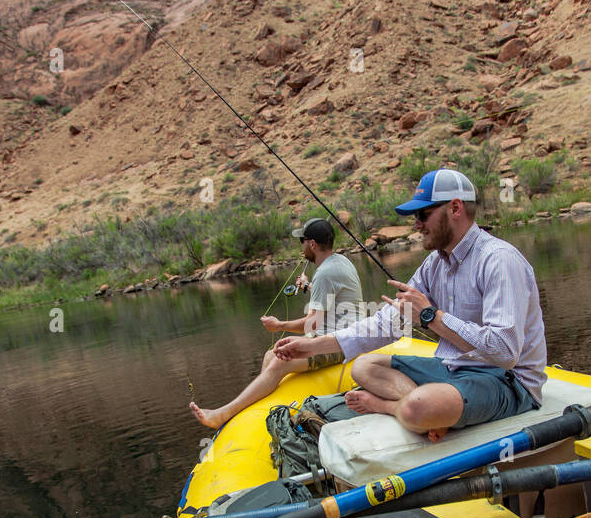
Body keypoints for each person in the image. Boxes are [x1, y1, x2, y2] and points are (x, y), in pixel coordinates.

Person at [273, 169, 547, 442]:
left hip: (508, 382)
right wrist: (314, 345)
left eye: (422, 215)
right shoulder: (435, 264)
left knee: (420, 405)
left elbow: (505, 351)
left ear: (455, 208)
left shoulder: (499, 259)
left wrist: (430, 316)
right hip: (453, 369)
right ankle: (432, 414)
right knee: (364, 367)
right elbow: (385, 323)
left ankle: (394, 407)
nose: (416, 224)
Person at [190, 217, 363, 430]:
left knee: (280, 360)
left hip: (341, 344)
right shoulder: (340, 262)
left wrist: (278, 325)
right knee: (271, 354)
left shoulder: (325, 273)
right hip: (341, 335)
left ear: (312, 244)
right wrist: (309, 286)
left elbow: (312, 324)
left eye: (302, 241)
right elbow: (332, 299)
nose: (300, 247)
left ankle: (223, 414)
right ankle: (261, 409)